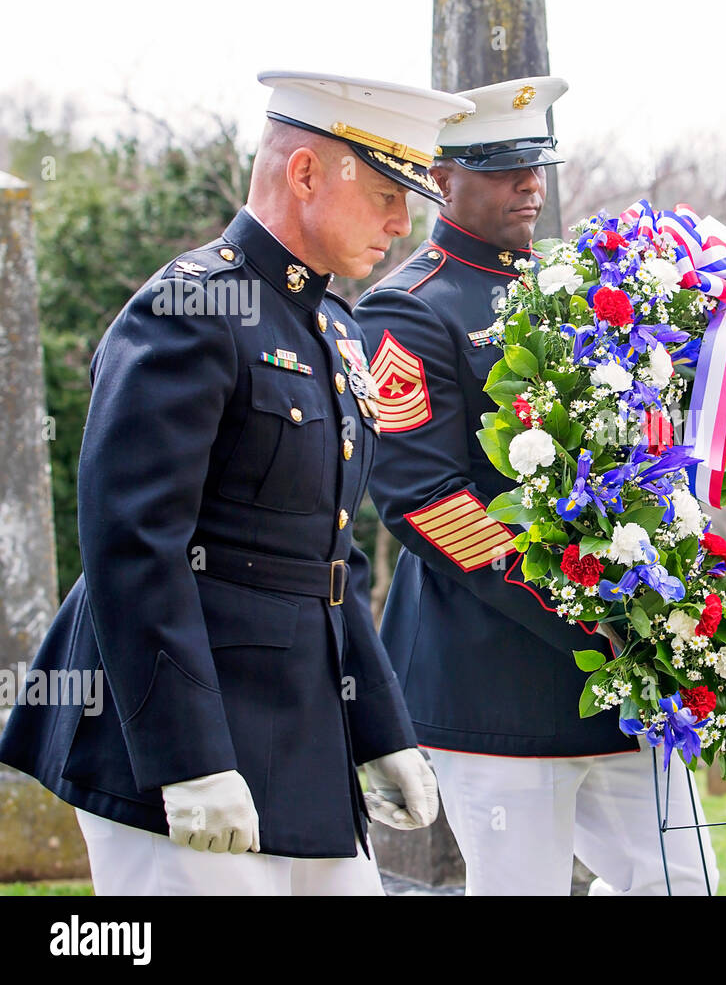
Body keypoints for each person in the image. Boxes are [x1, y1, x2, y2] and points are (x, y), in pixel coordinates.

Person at [0, 71, 475, 896]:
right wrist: (189, 760)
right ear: (305, 175)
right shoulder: (190, 306)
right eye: (389, 196)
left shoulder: (333, 325)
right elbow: (134, 547)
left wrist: (379, 730)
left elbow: (331, 561)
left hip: (299, 735)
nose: (404, 225)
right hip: (176, 739)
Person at [354, 76, 719, 896]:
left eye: (536, 164)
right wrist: (588, 613)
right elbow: (426, 500)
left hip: (619, 674)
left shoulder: (579, 289)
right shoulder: (409, 310)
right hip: (493, 675)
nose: (530, 183)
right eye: (499, 166)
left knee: (682, 881)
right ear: (441, 178)